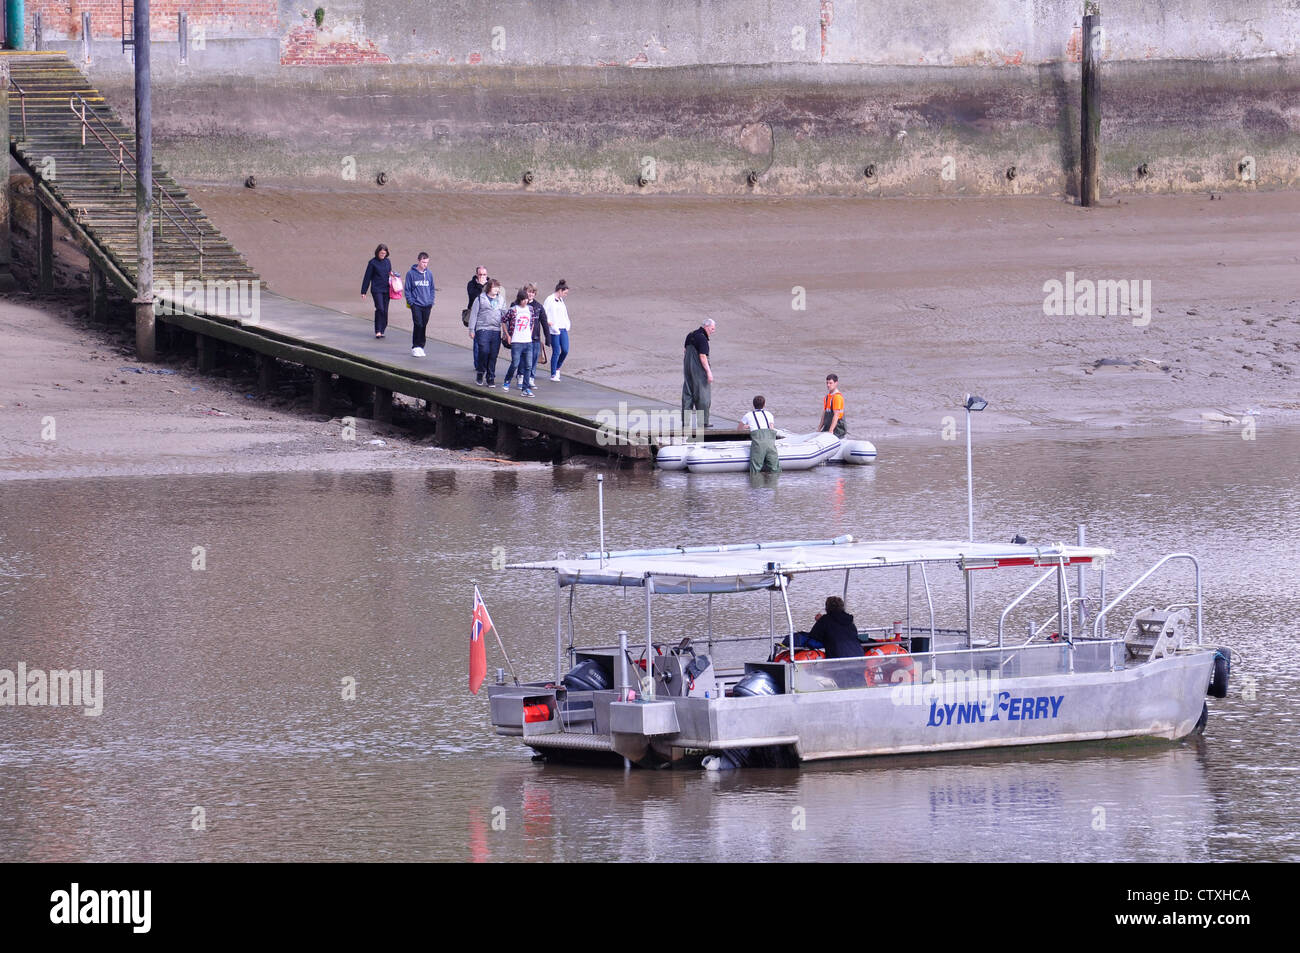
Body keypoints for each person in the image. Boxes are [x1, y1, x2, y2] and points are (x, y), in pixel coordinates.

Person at [467, 278, 506, 386]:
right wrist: (471, 329)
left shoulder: (501, 300)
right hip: (483, 328)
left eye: (498, 287)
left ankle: (490, 377)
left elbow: (504, 315)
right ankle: (480, 372)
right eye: (494, 287)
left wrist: (506, 332)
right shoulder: (480, 298)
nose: (496, 289)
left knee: (493, 354)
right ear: (489, 287)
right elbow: (474, 314)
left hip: (496, 330)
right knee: (484, 351)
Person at [501, 288, 536, 396]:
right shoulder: (513, 310)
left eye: (526, 299)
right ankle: (507, 380)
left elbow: (533, 321)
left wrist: (530, 333)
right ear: (519, 300)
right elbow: (503, 320)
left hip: (528, 342)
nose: (525, 301)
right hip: (516, 342)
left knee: (528, 366)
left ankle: (525, 389)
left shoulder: (530, 309)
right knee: (515, 363)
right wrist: (507, 335)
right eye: (523, 299)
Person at [682, 319, 715, 431]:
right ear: (706, 326)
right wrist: (709, 372)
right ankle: (704, 422)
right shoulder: (702, 338)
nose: (713, 331)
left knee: (687, 395)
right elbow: (702, 356)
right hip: (699, 371)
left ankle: (685, 423)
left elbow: (685, 351)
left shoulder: (690, 335)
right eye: (712, 328)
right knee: (703, 397)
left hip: (688, 369)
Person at [403, 252, 436, 357]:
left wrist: (431, 301)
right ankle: (415, 346)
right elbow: (407, 290)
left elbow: (432, 288)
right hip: (416, 304)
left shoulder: (429, 274)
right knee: (418, 324)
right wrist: (411, 302)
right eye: (423, 262)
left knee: (424, 325)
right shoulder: (411, 274)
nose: (425, 264)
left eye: (426, 262)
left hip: (427, 304)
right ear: (419, 261)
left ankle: (421, 346)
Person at [740, 395, 780, 474]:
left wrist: (747, 426)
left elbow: (739, 428)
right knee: (775, 469)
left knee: (755, 470)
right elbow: (771, 428)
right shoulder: (769, 414)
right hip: (770, 444)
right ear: (764, 405)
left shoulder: (748, 415)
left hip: (758, 445)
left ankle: (755, 484)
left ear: (753, 405)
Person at [360, 243, 393, 338]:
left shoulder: (388, 262)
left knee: (385, 310)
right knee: (380, 308)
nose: (383, 255)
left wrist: (394, 277)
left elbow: (390, 273)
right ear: (377, 252)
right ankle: (378, 330)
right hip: (376, 289)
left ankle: (382, 329)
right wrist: (363, 291)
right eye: (381, 253)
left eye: (384, 253)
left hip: (387, 289)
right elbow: (367, 277)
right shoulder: (372, 263)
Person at [543, 279, 571, 381]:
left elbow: (564, 314)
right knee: (556, 351)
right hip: (554, 329)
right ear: (560, 290)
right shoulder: (549, 299)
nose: (565, 295)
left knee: (565, 350)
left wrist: (567, 323)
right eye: (565, 293)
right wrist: (549, 322)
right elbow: (544, 313)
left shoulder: (561, 300)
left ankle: (558, 367)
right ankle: (553, 374)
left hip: (563, 328)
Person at [525, 282, 551, 388]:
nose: (530, 294)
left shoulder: (539, 307)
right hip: (522, 338)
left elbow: (544, 323)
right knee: (524, 359)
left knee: (534, 359)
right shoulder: (518, 304)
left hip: (535, 338)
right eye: (529, 292)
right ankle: (521, 376)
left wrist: (547, 338)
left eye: (532, 292)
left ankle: (531, 379)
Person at [819, 373, 847, 437]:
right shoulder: (827, 397)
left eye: (830, 383)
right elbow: (824, 414)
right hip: (827, 426)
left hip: (837, 429)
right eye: (827, 383)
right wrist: (819, 429)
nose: (828, 385)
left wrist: (831, 431)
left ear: (836, 383)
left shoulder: (837, 397)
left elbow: (836, 415)